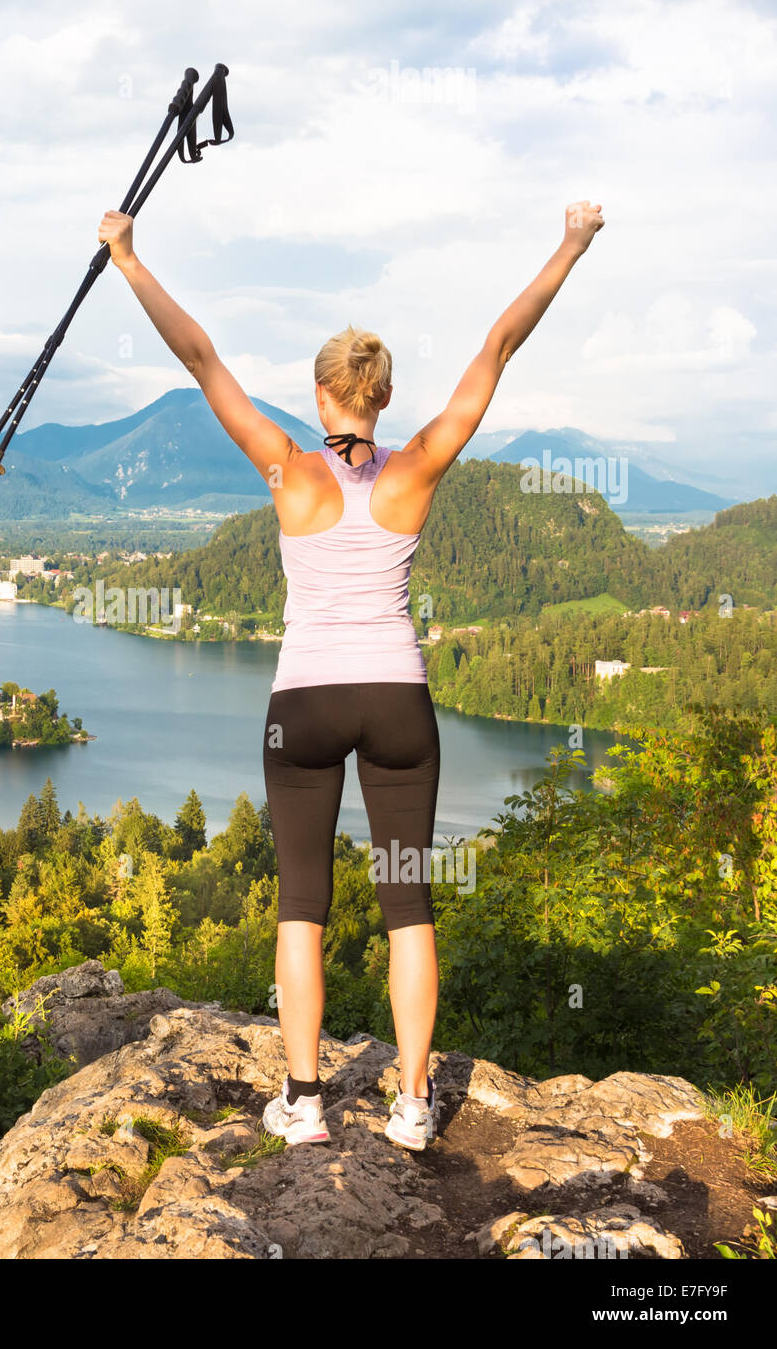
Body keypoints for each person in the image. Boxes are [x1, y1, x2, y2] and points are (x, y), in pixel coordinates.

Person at [98, 199, 605, 1151]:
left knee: (303, 902)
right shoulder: (415, 469)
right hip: (400, 703)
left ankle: (304, 1099)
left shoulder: (287, 469)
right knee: (407, 903)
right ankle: (413, 1105)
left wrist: (128, 259)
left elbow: (200, 359)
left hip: (305, 706)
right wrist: (569, 245)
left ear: (325, 395)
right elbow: (498, 347)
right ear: (378, 397)